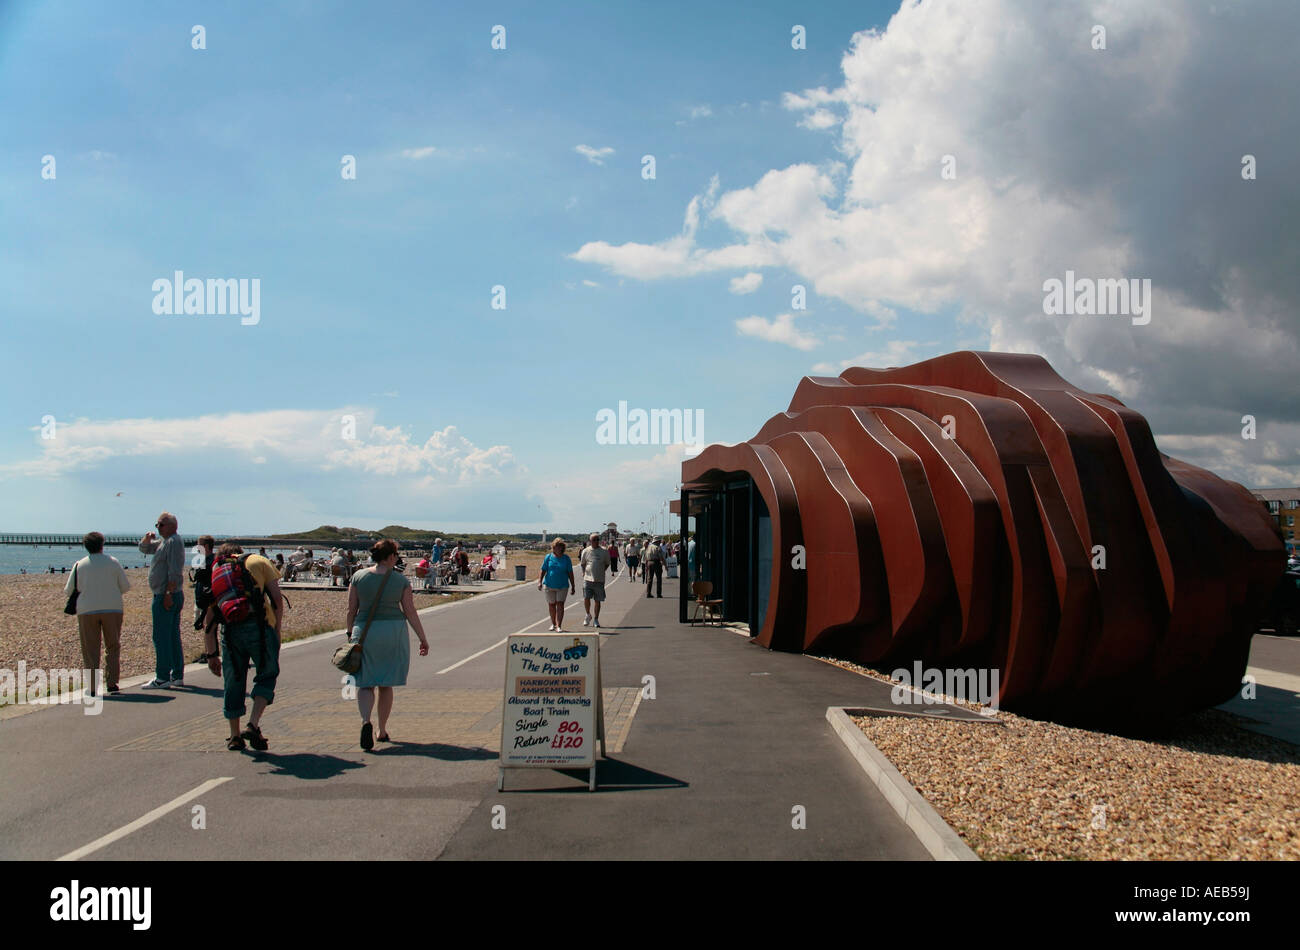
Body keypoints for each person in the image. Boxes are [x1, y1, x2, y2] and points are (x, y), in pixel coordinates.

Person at [346, 539, 430, 750]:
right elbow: (410, 610)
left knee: (365, 682)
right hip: (392, 631)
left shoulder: (358, 577)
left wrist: (350, 633)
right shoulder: (400, 581)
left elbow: (351, 609)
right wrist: (422, 637)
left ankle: (366, 721)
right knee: (385, 683)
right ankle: (381, 730)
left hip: (364, 631)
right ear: (391, 557)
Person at [202, 543, 283, 751]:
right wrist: (277, 630)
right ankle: (253, 723)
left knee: (234, 680)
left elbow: (209, 617)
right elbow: (276, 600)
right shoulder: (258, 561)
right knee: (267, 673)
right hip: (259, 627)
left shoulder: (217, 569)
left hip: (229, 631)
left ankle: (234, 736)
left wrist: (211, 654)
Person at [65, 532, 131, 695]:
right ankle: (112, 682)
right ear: (102, 544)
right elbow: (125, 586)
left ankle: (93, 686)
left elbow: (69, 590)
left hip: (87, 609)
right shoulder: (113, 562)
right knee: (113, 646)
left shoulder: (79, 565)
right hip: (112, 608)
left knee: (90, 648)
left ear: (85, 546)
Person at [139, 511, 186, 688]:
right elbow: (144, 549)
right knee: (172, 635)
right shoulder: (164, 542)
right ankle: (176, 674)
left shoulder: (173, 542)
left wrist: (168, 593)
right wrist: (146, 539)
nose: (158, 528)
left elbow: (174, 570)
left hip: (167, 594)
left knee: (161, 636)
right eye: (157, 525)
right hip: (167, 593)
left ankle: (163, 676)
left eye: (161, 524)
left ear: (172, 526)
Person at [538, 538, 575, 631]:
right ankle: (553, 623)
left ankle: (559, 625)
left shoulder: (566, 559)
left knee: (560, 604)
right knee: (551, 605)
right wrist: (540, 582)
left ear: (562, 548)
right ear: (553, 548)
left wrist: (573, 585)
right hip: (549, 585)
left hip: (562, 586)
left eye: (559, 547)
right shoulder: (548, 557)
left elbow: (570, 572)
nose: (557, 549)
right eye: (555, 547)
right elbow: (543, 570)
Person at [579, 533, 611, 628]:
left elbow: (607, 563)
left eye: (597, 539)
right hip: (588, 579)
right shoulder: (586, 551)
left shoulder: (604, 551)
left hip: (599, 579)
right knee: (586, 597)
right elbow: (583, 563)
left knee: (597, 600)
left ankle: (596, 619)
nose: (596, 541)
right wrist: (584, 572)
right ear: (590, 541)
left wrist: (601, 570)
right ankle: (588, 614)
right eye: (594, 540)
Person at [190, 535, 216, 630]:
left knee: (208, 628)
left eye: (199, 545)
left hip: (208, 600)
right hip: (200, 598)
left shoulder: (212, 562)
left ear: (205, 546)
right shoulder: (203, 560)